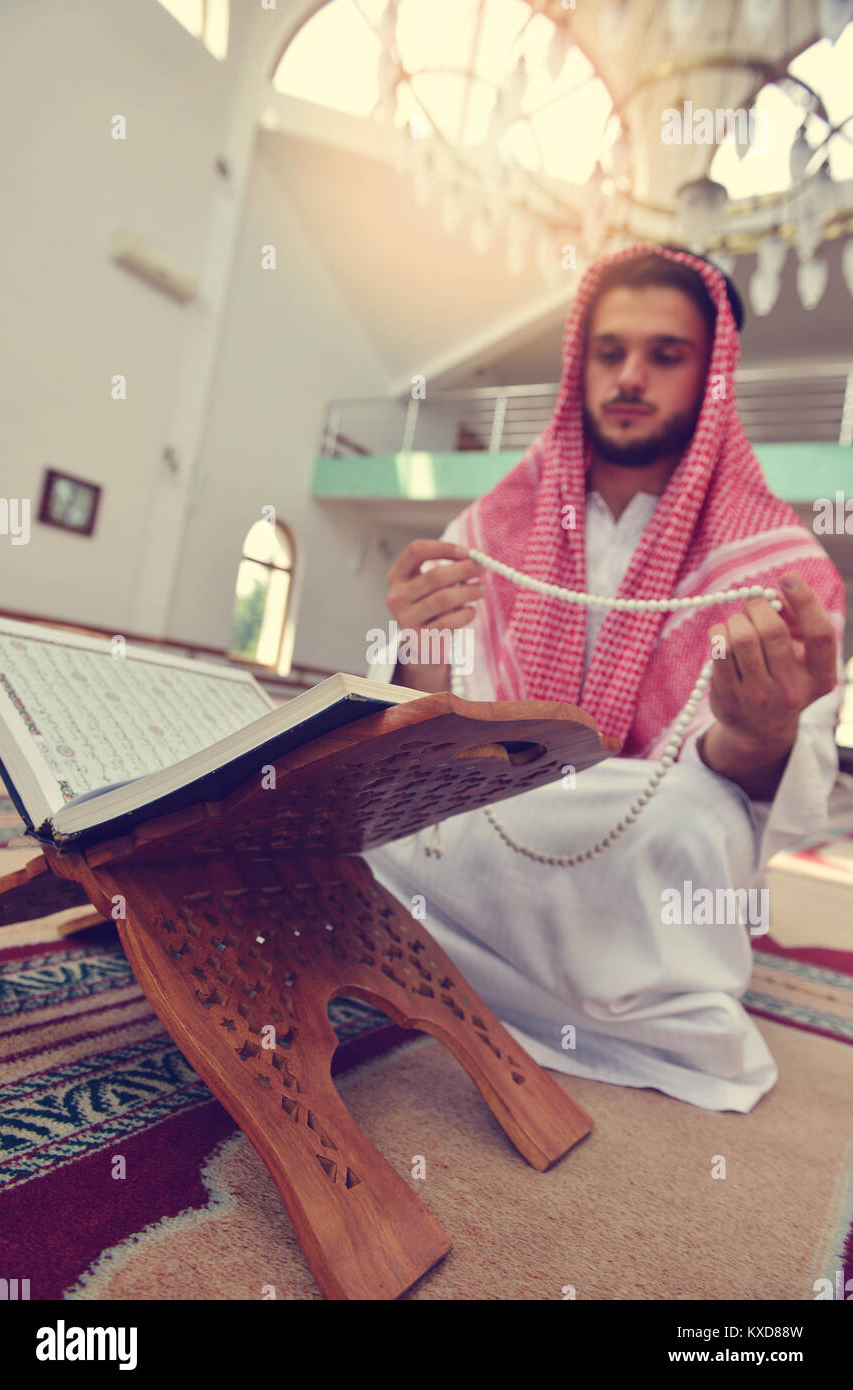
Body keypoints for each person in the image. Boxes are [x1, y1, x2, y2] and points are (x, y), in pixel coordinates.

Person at [362, 242, 846, 1112]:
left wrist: (753, 734)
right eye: (609, 351)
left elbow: (764, 787)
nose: (630, 376)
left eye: (666, 355)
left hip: (635, 823)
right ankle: (534, 975)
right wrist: (418, 648)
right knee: (379, 811)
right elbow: (426, 725)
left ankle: (424, 957)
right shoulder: (486, 526)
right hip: (492, 797)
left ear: (712, 379)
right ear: (577, 365)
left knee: (689, 822)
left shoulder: (775, 566)